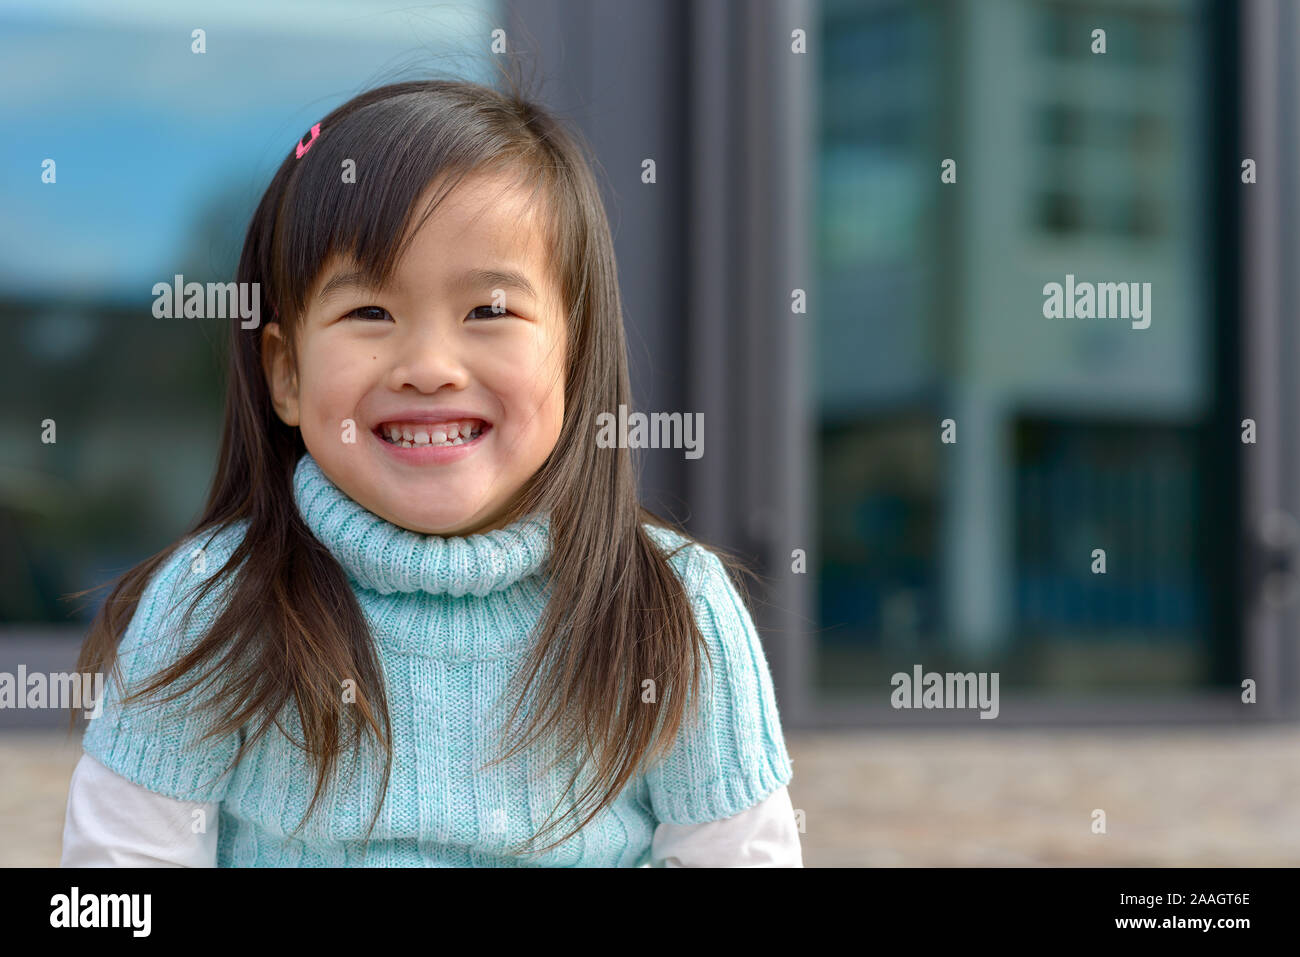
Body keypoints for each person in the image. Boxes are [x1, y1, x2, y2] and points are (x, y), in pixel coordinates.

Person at [61, 77, 800, 867]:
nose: (429, 367)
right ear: (285, 374)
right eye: (369, 313)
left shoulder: (670, 610)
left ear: (576, 354)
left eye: (489, 310)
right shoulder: (212, 605)